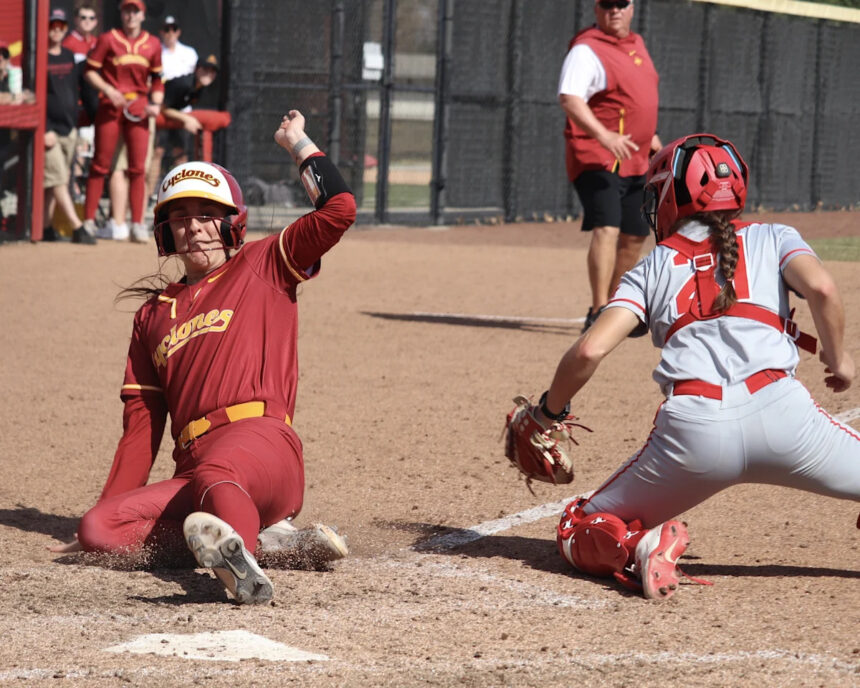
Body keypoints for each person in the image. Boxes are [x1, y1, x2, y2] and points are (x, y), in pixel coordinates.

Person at [527, 133, 859, 601]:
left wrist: (548, 412)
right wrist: (838, 355)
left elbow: (588, 351)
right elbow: (823, 289)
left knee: (578, 528)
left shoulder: (652, 266)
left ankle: (643, 544)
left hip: (694, 432)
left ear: (669, 195)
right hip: (787, 417)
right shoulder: (773, 236)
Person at [48, 110, 355, 605]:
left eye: (207, 215)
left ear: (233, 222)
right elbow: (141, 429)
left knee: (218, 473)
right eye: (180, 218)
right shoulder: (152, 315)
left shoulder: (264, 264)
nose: (194, 229)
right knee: (98, 528)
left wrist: (298, 145)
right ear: (166, 232)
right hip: (195, 469)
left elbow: (339, 209)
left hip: (263, 445)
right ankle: (263, 543)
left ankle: (245, 561)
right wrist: (106, 517)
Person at [558, 0, 662, 332]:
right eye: (607, 4)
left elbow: (635, 99)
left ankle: (616, 306)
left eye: (622, 3)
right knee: (607, 227)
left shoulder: (637, 44)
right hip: (597, 155)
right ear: (596, 9)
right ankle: (598, 308)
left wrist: (651, 135)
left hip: (635, 155)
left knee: (635, 233)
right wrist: (604, 136)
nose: (614, 10)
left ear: (632, 8)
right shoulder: (587, 50)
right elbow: (570, 98)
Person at [81, 0, 163, 244]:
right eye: (127, 10)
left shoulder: (153, 43)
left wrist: (156, 104)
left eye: (135, 11)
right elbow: (89, 70)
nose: (131, 15)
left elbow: (157, 79)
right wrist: (108, 89)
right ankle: (88, 221)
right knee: (100, 165)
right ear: (121, 13)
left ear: (143, 15)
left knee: (138, 169)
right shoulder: (108, 39)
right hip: (110, 107)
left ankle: (137, 223)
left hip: (138, 108)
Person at [42, 8, 89, 244]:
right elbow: (37, 96)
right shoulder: (39, 56)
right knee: (59, 179)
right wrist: (44, 128)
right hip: (48, 132)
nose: (57, 30)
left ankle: (45, 228)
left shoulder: (69, 56)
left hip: (70, 129)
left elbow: (75, 89)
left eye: (61, 26)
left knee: (52, 183)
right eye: (53, 25)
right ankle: (77, 227)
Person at [145, 53, 219, 200]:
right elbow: (162, 107)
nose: (208, 73)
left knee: (181, 154)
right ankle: (148, 196)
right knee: (158, 152)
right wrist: (185, 119)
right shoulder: (183, 83)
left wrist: (184, 119)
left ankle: (180, 193)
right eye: (205, 69)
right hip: (156, 115)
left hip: (174, 118)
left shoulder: (200, 88)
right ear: (197, 69)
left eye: (212, 71)